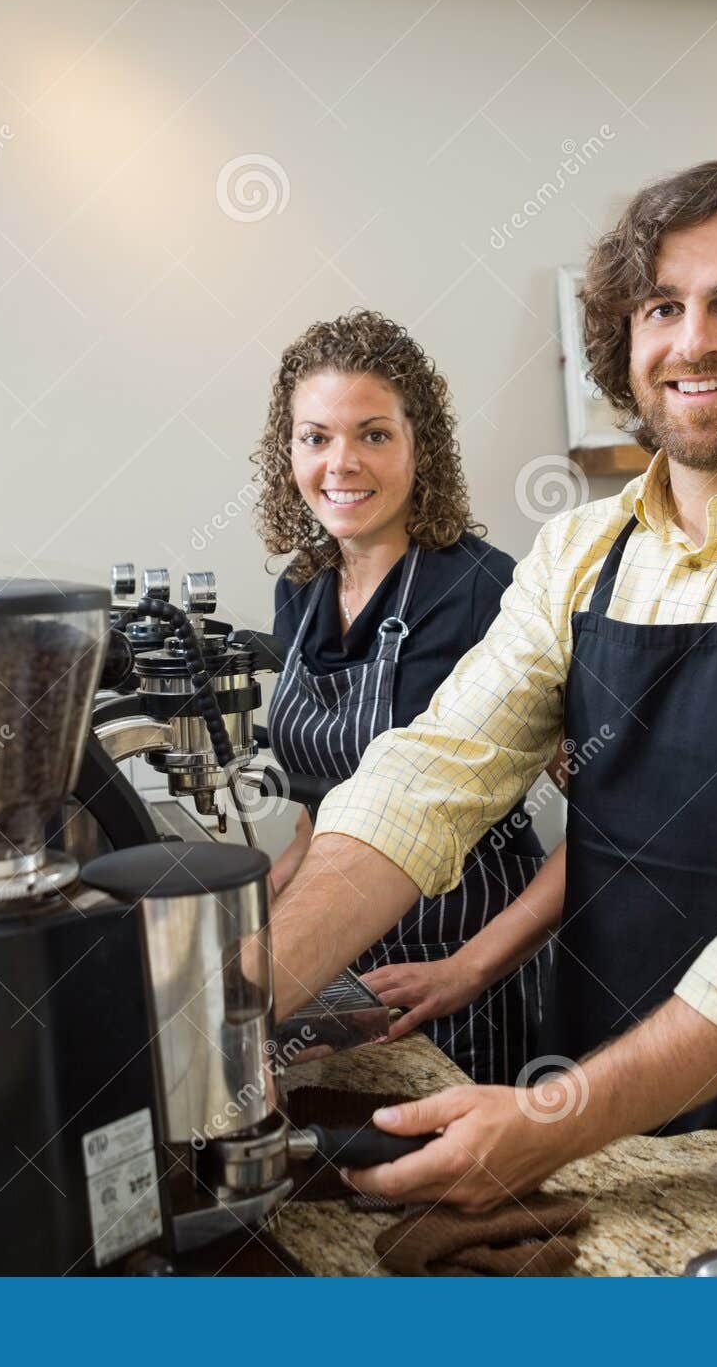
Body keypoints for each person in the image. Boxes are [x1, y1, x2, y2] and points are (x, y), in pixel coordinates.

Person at [268, 161, 717, 1210]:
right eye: (662, 306)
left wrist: (558, 1116)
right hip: (585, 1098)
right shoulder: (579, 549)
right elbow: (429, 776)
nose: (692, 339)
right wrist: (236, 1001)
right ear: (625, 337)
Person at [253, 309, 551, 1086]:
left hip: (463, 962)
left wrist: (470, 967)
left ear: (421, 446)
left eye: (373, 434)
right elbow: (331, 800)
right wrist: (265, 894)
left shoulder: (489, 588)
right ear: (287, 452)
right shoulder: (301, 591)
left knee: (456, 1180)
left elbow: (611, 814)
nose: (341, 462)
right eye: (315, 437)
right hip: (340, 957)